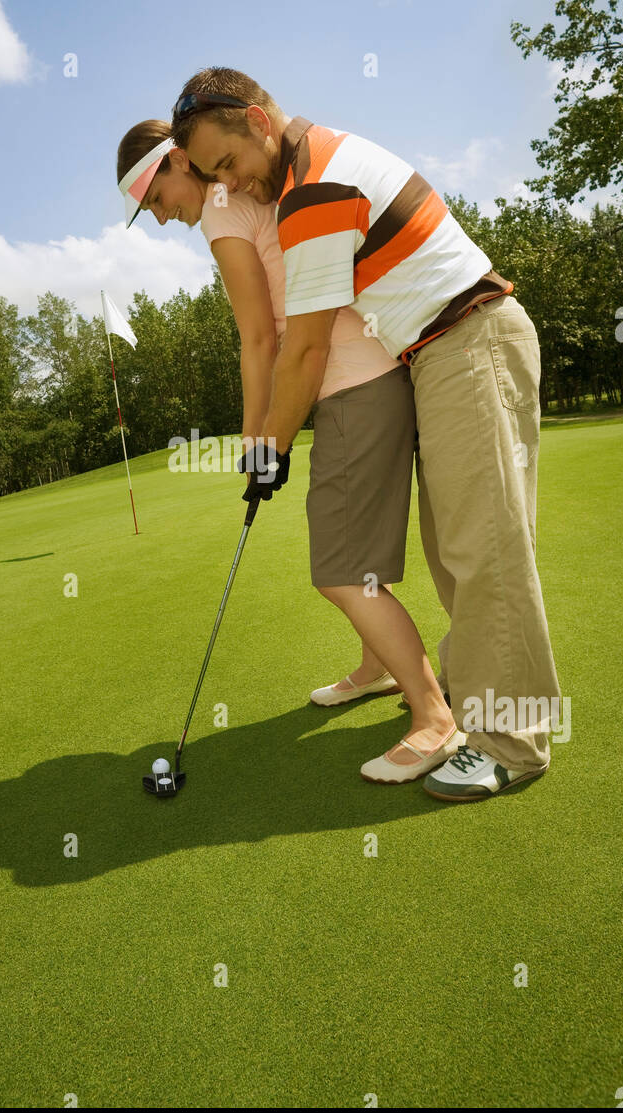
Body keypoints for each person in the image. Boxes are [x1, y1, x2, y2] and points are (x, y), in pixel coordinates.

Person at [170, 67, 561, 803]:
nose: (233, 183)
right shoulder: (308, 168)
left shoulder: (313, 189)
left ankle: (512, 743)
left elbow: (305, 349)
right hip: (440, 353)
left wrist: (270, 450)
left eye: (228, 164)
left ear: (257, 122)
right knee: (459, 554)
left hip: (469, 343)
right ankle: (480, 709)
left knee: (485, 551)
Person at [117, 119, 462, 783]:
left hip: (351, 382)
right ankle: (376, 670)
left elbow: (257, 339)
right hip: (363, 373)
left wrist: (259, 444)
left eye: (155, 201)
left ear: (175, 166)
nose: (162, 218)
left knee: (338, 567)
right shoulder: (246, 189)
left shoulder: (220, 209)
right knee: (350, 553)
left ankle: (434, 716)